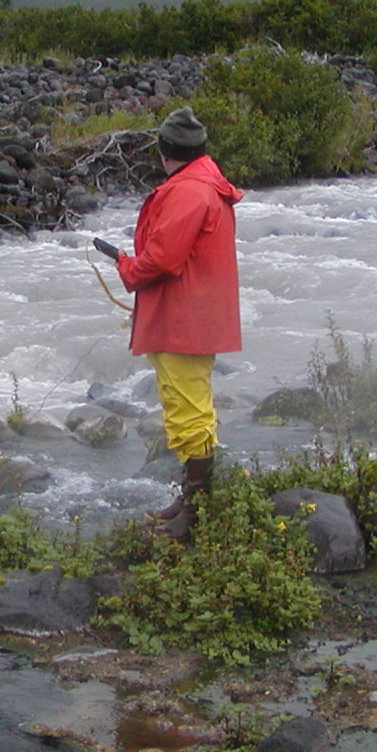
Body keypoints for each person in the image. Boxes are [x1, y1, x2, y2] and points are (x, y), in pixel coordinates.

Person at [96, 105, 242, 541]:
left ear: (165, 151)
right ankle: (191, 499)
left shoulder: (188, 192)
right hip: (195, 311)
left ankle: (194, 513)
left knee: (187, 410)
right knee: (190, 405)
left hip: (184, 316)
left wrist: (126, 267)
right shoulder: (206, 183)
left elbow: (161, 258)